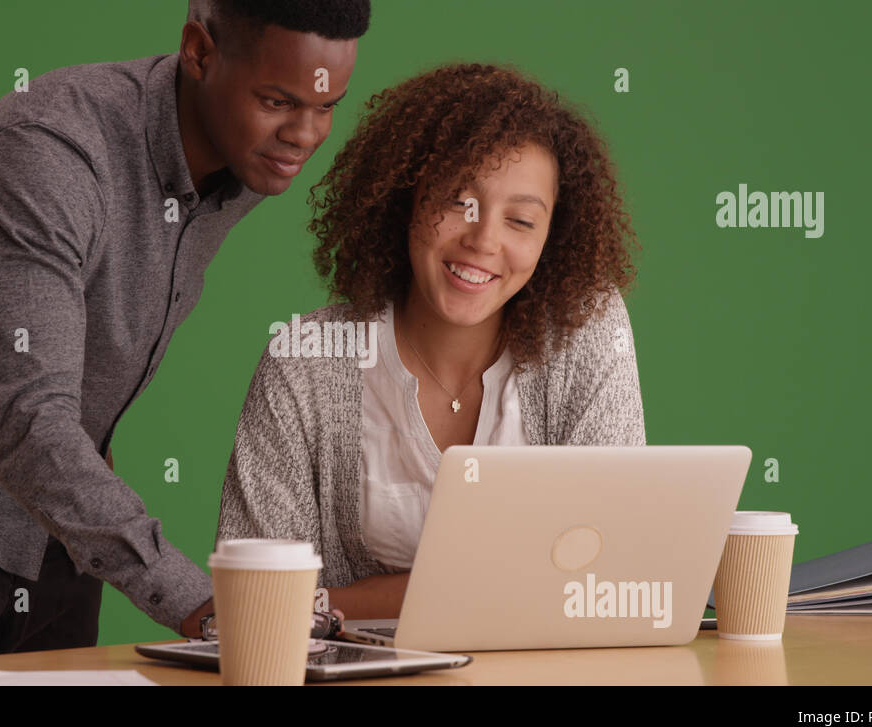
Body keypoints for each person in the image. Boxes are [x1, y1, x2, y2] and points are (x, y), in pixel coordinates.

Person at [0, 0, 371, 666]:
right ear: (199, 52)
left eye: (328, 107)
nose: (305, 135)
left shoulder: (248, 155)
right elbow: (29, 420)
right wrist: (206, 605)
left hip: (50, 509)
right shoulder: (48, 151)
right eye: (278, 101)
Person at [216, 63, 645, 621]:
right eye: (458, 202)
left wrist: (338, 602)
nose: (483, 240)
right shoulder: (307, 360)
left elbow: (611, 570)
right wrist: (512, 583)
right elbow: (253, 602)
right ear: (405, 198)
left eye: (520, 221)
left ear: (551, 240)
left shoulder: (585, 330)